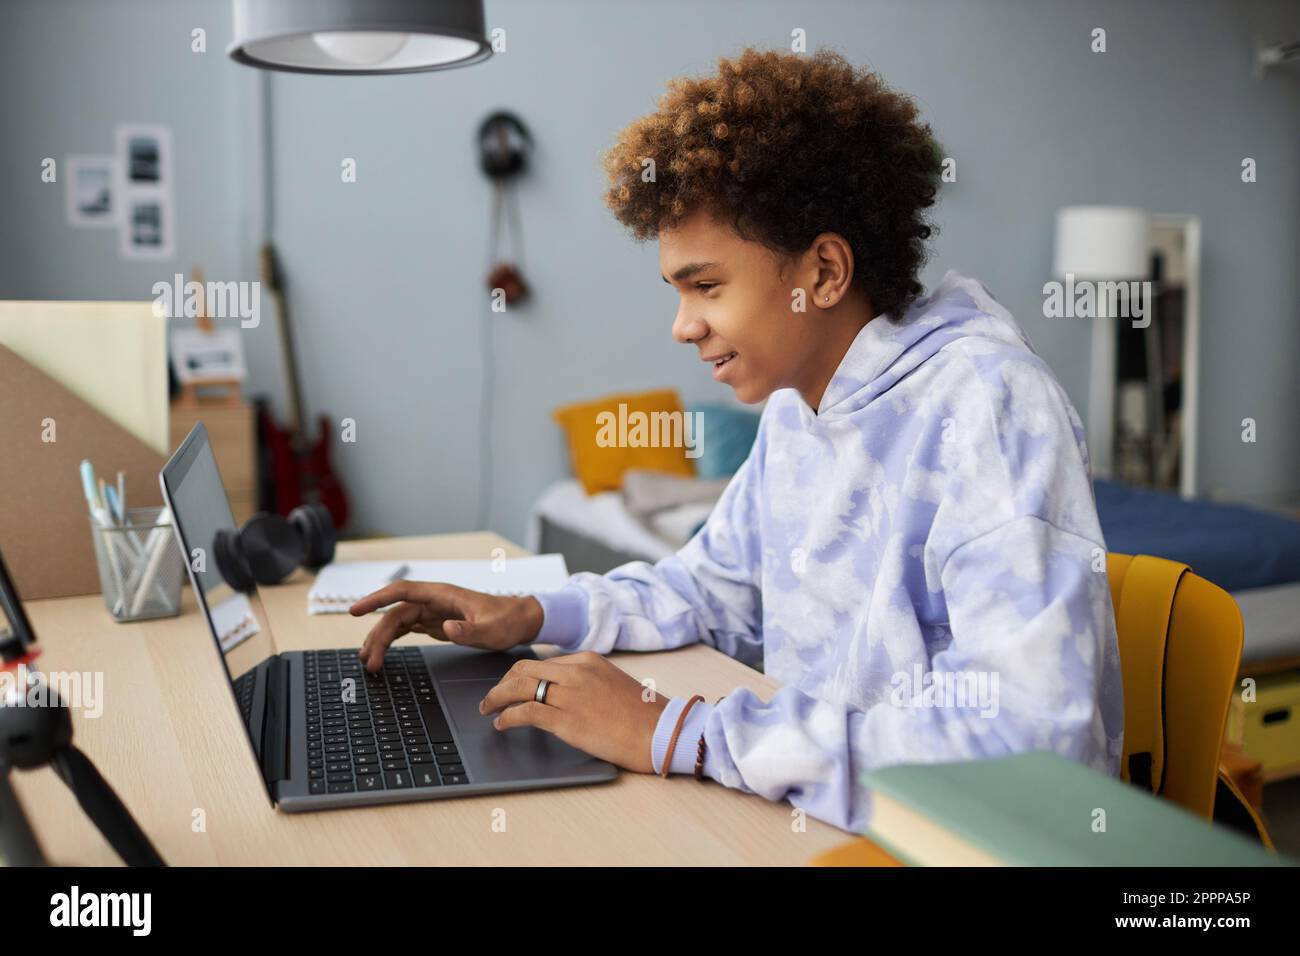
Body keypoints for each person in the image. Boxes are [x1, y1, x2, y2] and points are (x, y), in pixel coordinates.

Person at [350, 47, 1123, 833]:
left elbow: (1029, 748)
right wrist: (529, 614)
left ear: (823, 271)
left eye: (706, 286)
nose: (683, 327)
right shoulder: (799, 411)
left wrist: (676, 730)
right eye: (678, 291)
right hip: (822, 827)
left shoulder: (991, 406)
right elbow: (710, 591)